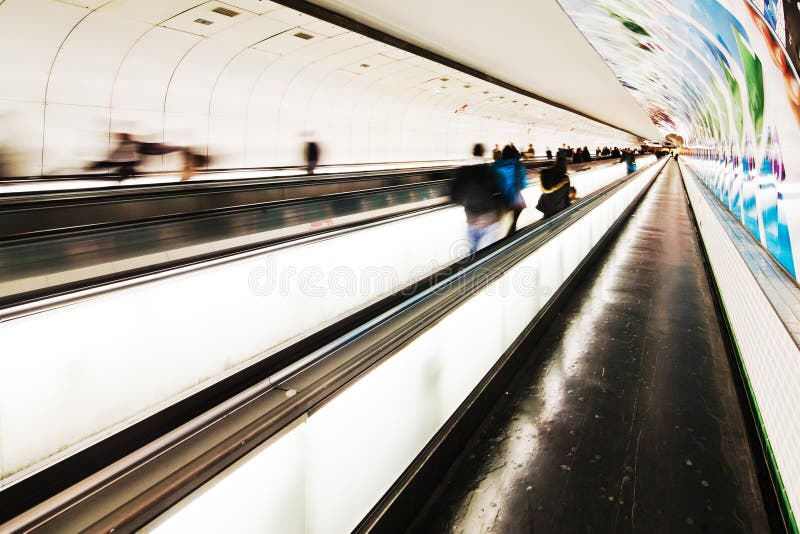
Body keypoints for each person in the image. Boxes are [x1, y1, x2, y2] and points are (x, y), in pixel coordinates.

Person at [451, 144, 503, 253]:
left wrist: (469, 202)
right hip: (489, 218)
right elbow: (498, 191)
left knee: (472, 252)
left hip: (471, 218)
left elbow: (455, 196)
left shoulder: (462, 171)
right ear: (483, 153)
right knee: (489, 252)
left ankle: (470, 267)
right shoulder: (489, 171)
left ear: (473, 153)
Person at [492, 144, 527, 235]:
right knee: (513, 223)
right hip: (515, 201)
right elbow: (523, 184)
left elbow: (491, 182)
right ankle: (511, 233)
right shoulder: (519, 165)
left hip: (500, 200)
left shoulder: (495, 165)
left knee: (497, 227)